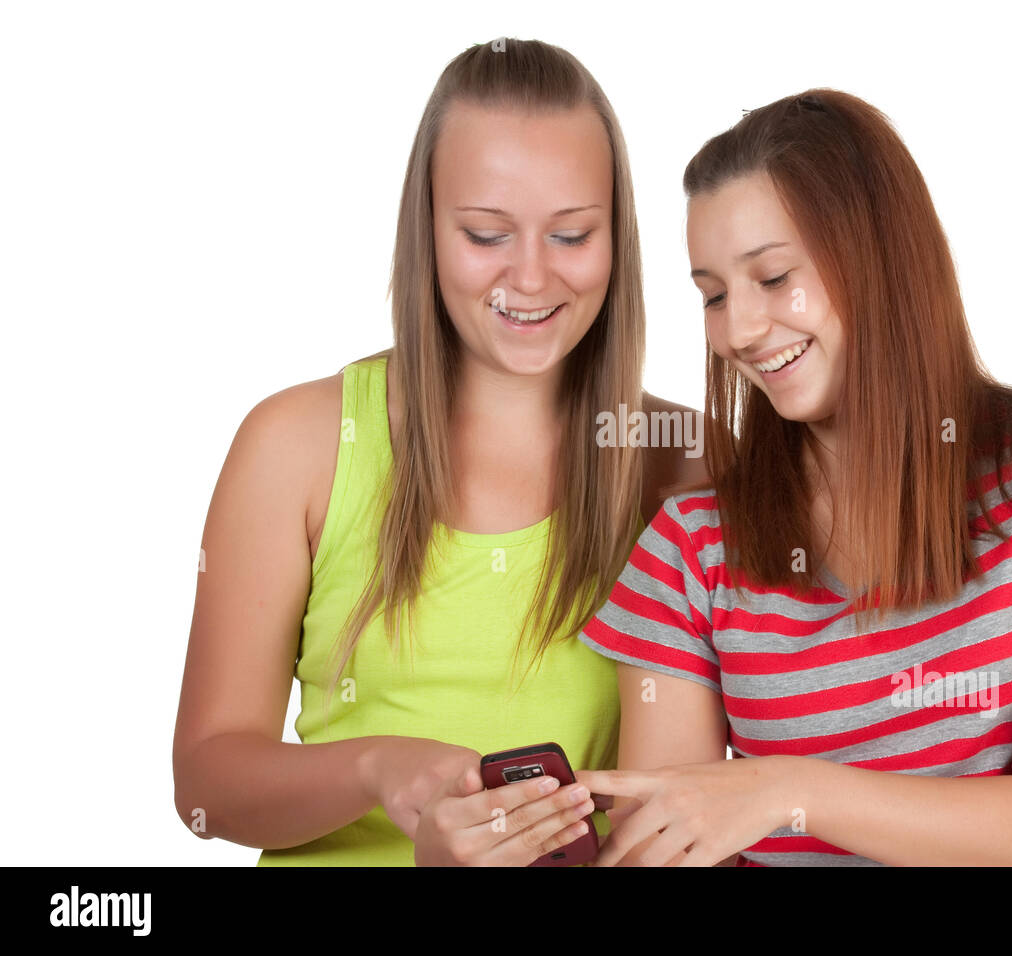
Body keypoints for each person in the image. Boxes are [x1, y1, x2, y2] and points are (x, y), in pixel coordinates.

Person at [577, 89, 1012, 866]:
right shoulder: (689, 552)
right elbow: (666, 844)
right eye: (712, 295)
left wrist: (786, 791)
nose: (736, 330)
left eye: (773, 279)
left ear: (879, 256)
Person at [172, 38, 705, 866]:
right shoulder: (295, 447)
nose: (530, 278)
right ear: (426, 227)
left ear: (618, 239)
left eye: (571, 235)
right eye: (487, 234)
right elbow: (206, 786)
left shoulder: (689, 461)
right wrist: (383, 771)